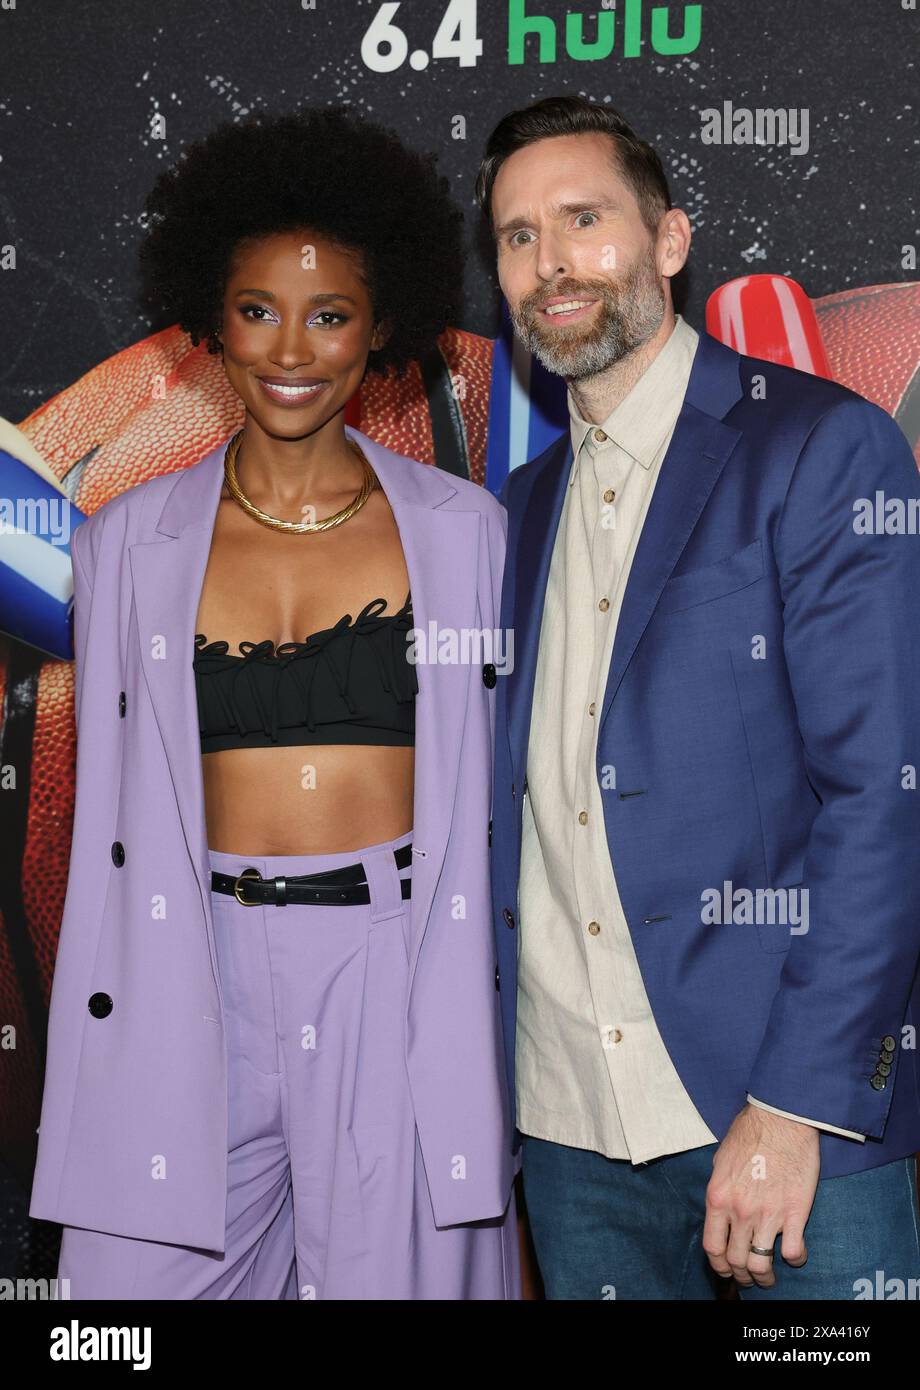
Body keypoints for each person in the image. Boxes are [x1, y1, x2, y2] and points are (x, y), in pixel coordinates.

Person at [29, 106, 519, 1300]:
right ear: (211, 319)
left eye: (330, 313)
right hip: (181, 964)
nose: (291, 348)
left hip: (397, 966)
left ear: (380, 324)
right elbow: (109, 807)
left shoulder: (466, 536)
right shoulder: (127, 543)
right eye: (258, 310)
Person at [480, 95, 920, 1299]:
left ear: (669, 240)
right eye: (517, 236)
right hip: (569, 1137)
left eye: (582, 219)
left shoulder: (815, 451)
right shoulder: (513, 515)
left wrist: (794, 1104)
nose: (550, 264)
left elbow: (879, 799)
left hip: (782, 1128)